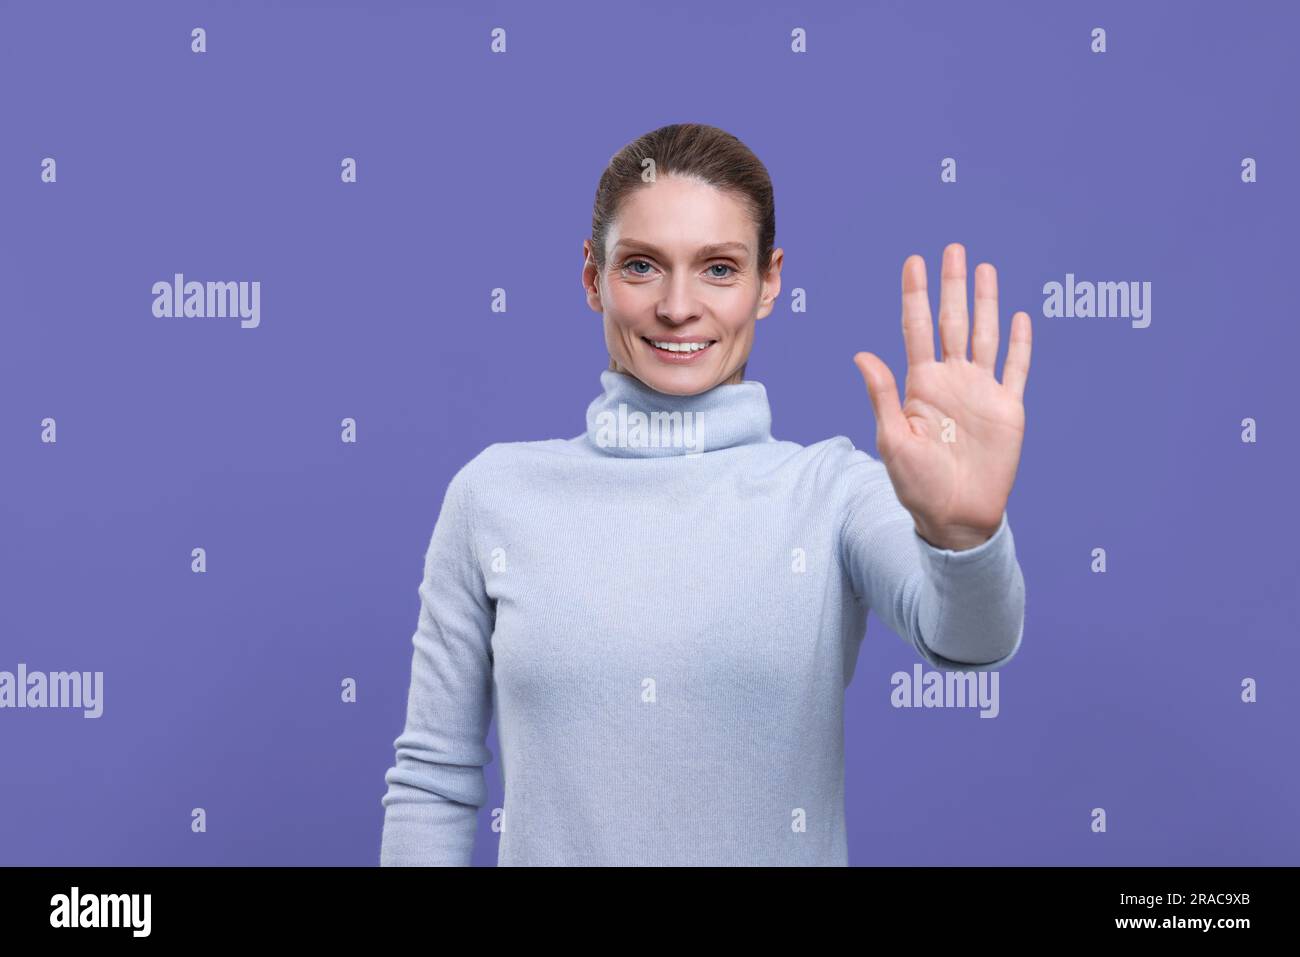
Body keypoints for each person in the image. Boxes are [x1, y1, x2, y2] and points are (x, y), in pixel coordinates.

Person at [379, 122, 1032, 866]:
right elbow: (433, 776)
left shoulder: (832, 492)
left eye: (719, 269)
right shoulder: (493, 495)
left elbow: (972, 640)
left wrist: (964, 538)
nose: (678, 306)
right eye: (642, 267)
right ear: (593, 278)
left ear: (770, 280)